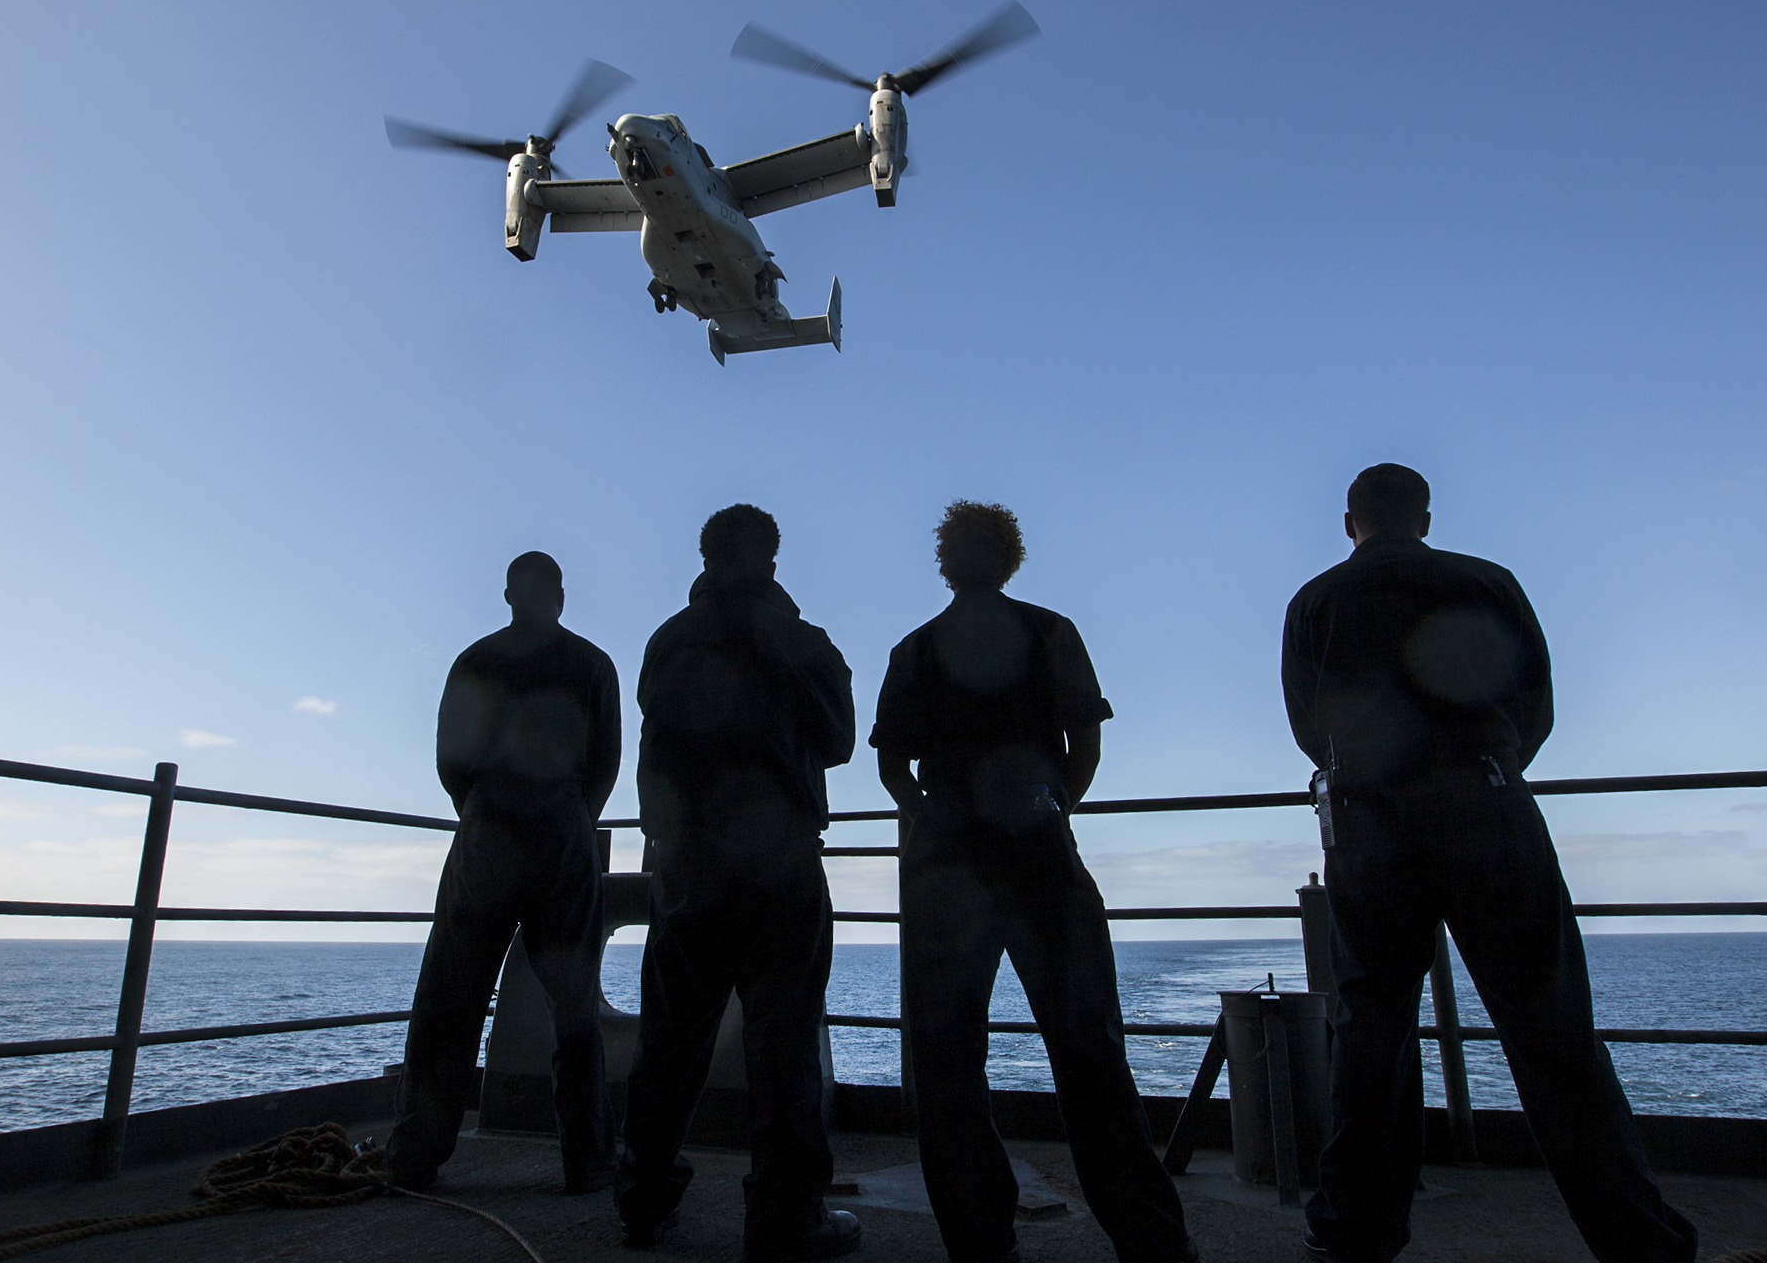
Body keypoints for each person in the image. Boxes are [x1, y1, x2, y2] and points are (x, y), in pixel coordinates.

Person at [1283, 464, 1697, 1263]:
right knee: (1550, 1031)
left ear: (1348, 523)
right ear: (1425, 517)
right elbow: (1533, 705)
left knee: (1370, 1031)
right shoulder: (1487, 581)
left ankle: (1349, 1240)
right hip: (1487, 802)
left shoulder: (1314, 600)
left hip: (1368, 824)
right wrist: (1488, 766)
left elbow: (1307, 725)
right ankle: (1638, 1243)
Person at [872, 501, 1196, 1263]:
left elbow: (891, 763)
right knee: (1089, 1048)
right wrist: (1053, 805)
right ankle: (1150, 1241)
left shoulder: (914, 649)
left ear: (946, 561)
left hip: (944, 866)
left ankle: (980, 1242)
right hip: (1040, 854)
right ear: (1008, 558)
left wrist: (928, 816)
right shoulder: (1050, 631)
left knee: (947, 1058)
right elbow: (1083, 740)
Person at [615, 505, 860, 1262]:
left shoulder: (667, 639)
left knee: (670, 1041)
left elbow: (654, 742)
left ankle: (643, 1203)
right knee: (782, 1040)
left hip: (687, 863)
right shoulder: (805, 641)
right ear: (772, 561)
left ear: (705, 554)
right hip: (780, 859)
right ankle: (786, 1218)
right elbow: (841, 743)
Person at [385, 551, 621, 1195]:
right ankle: (589, 1159)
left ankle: (416, 1155)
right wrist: (569, 814)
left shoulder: (475, 660)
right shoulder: (593, 664)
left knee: (450, 1002)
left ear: (509, 595)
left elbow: (449, 760)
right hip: (564, 840)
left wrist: (485, 810)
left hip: (486, 840)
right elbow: (607, 763)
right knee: (574, 1008)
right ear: (561, 596)